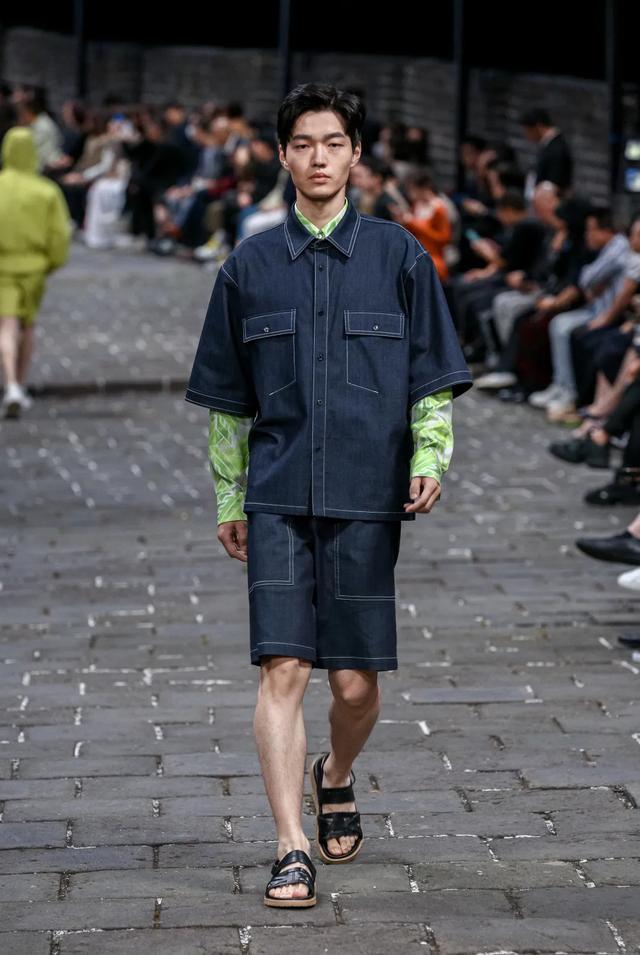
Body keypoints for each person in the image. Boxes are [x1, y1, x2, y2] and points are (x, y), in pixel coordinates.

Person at [184, 83, 473, 908]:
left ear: (356, 155)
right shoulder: (247, 267)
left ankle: (336, 771)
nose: (318, 157)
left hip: (366, 495)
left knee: (354, 684)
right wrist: (230, 498)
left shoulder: (399, 256)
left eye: (334, 142)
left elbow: (431, 376)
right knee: (284, 666)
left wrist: (431, 453)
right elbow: (227, 401)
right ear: (282, 155)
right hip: (277, 494)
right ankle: (290, 845)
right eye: (304, 143)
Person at [0, 127, 71, 417]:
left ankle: (10, 384)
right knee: (27, 325)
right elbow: (59, 236)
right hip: (34, 268)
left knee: (6, 324)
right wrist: (52, 263)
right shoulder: (47, 191)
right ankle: (20, 384)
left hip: (2, 267)